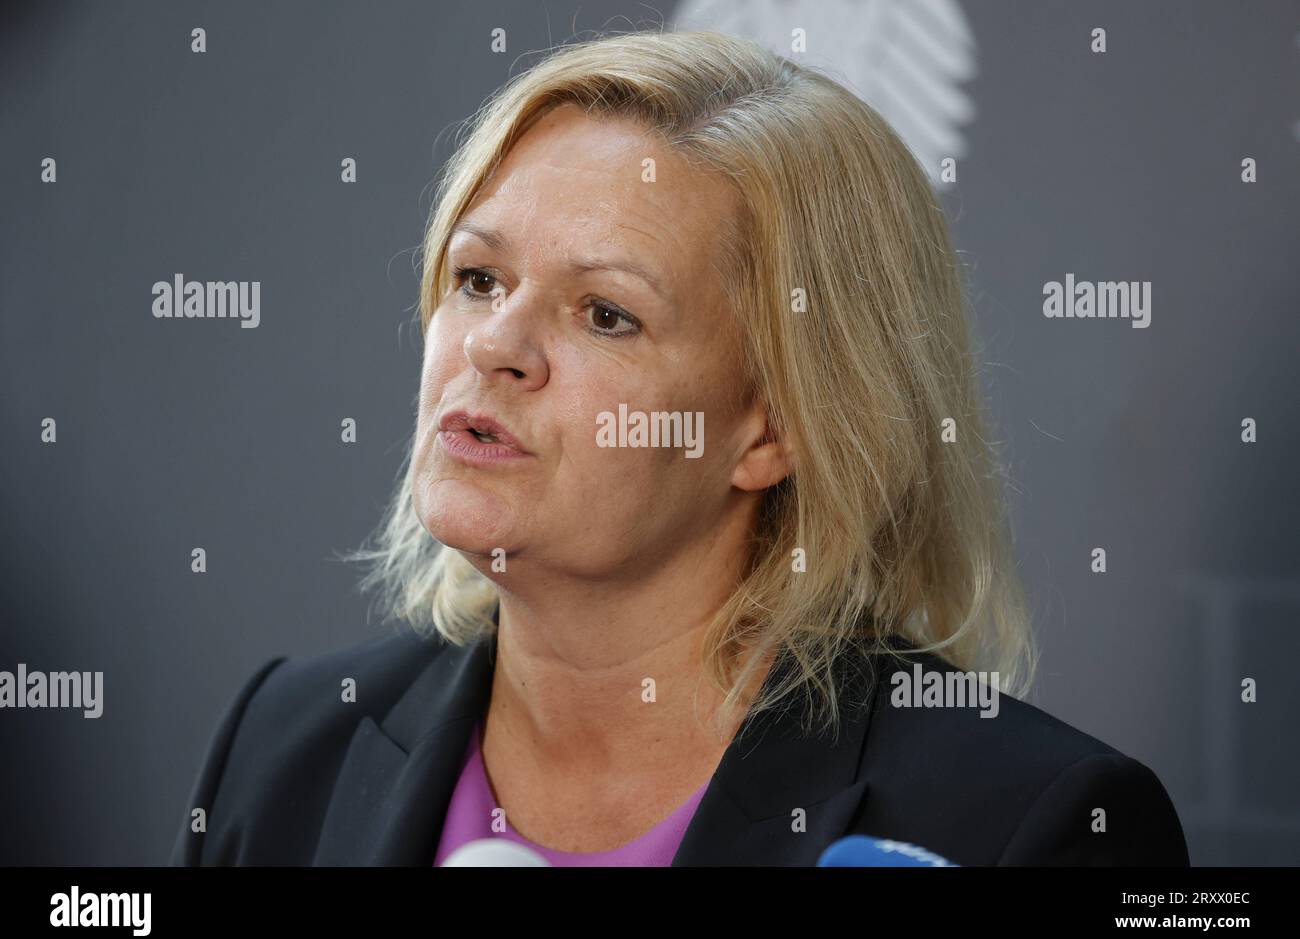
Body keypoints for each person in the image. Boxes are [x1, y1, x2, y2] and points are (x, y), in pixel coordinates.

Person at [171, 29, 1188, 866]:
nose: (494, 346)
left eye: (605, 313)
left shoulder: (1035, 826)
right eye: (479, 278)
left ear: (775, 426)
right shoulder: (287, 741)